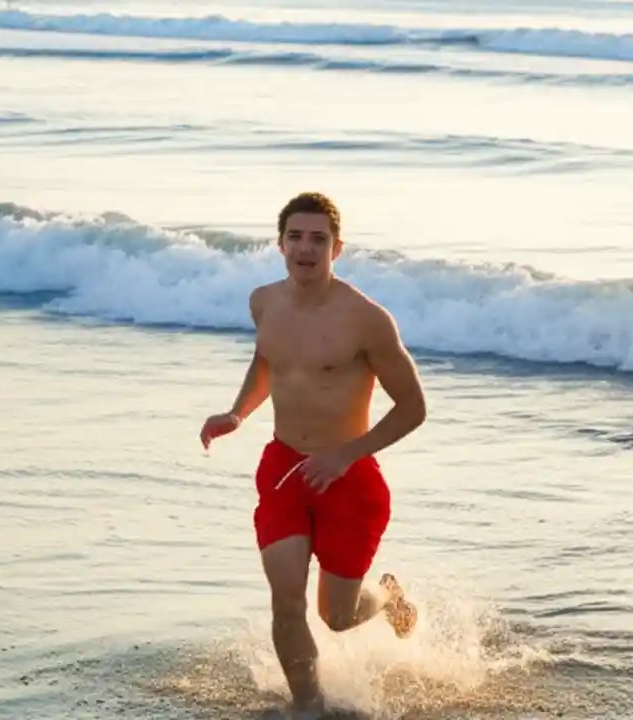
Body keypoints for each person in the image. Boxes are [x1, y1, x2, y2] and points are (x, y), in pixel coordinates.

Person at [199, 191, 426, 718]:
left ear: (336, 248)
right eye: (295, 237)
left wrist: (346, 455)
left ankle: (388, 597)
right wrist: (237, 414)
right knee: (286, 600)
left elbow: (413, 407)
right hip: (284, 468)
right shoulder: (264, 302)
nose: (306, 248)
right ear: (280, 244)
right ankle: (309, 706)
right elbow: (266, 364)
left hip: (350, 478)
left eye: (318, 239)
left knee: (337, 616)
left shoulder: (367, 320)